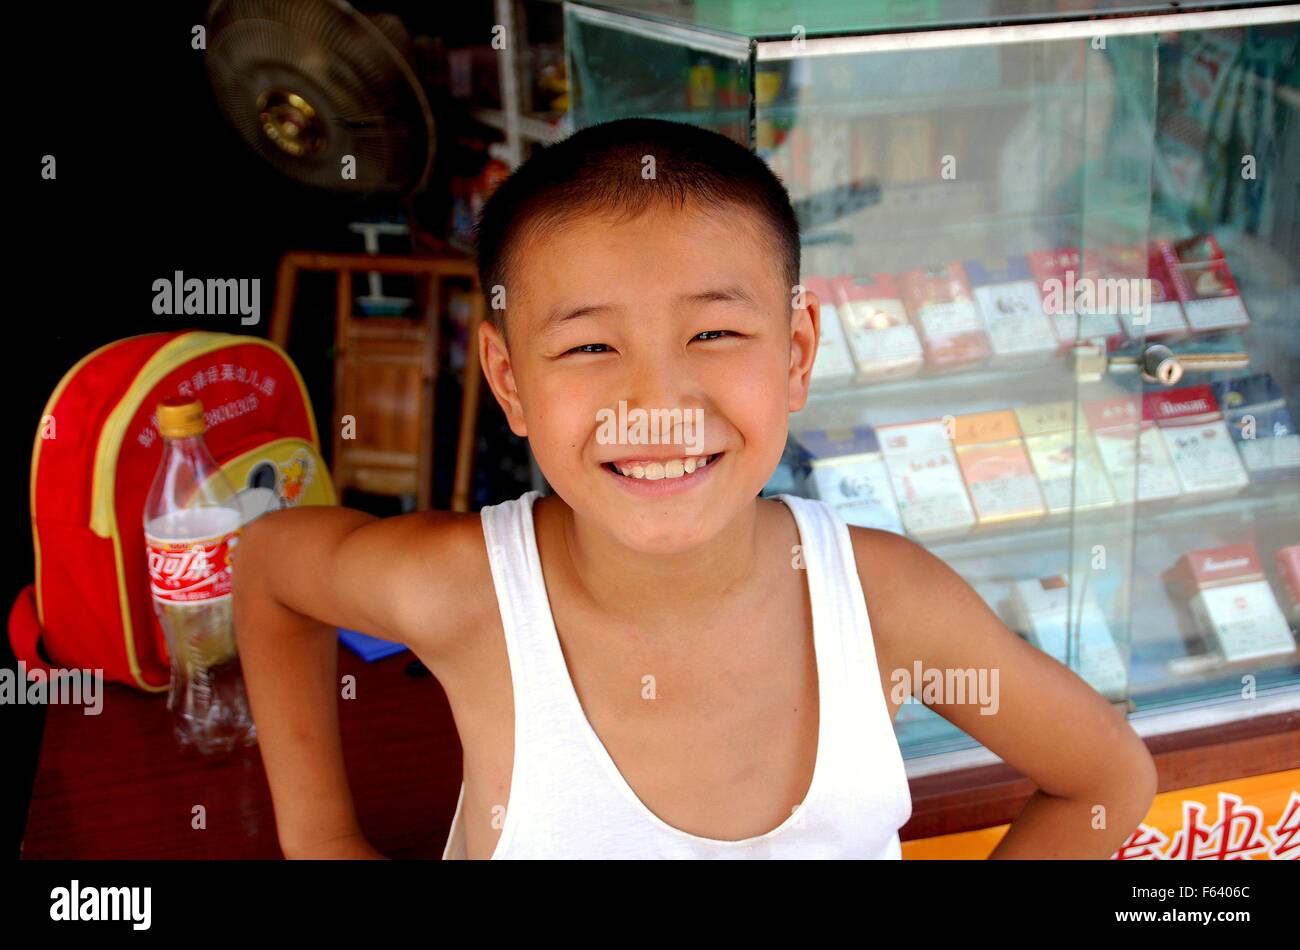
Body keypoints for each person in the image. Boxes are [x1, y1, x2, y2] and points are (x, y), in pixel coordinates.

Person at [233, 117, 1157, 859]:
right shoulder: (468, 592)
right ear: (510, 381)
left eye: (713, 335)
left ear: (796, 356)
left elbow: (1105, 778)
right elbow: (273, 562)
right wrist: (321, 838)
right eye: (590, 347)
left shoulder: (884, 603)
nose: (658, 407)